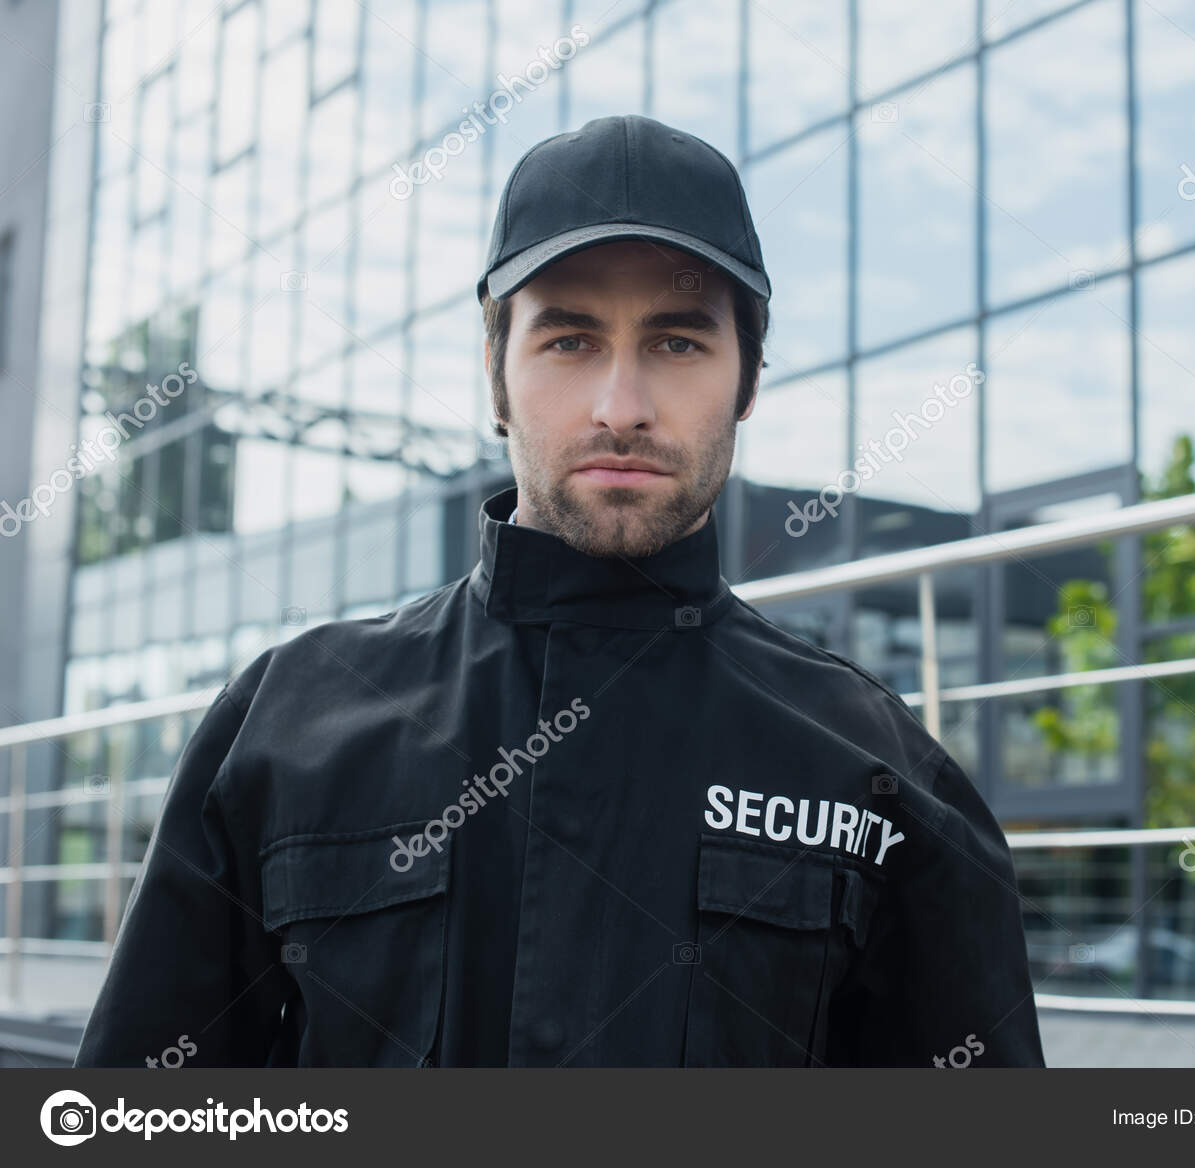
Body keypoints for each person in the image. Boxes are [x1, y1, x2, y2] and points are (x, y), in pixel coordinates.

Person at [74, 114, 1045, 1068]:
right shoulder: (288, 722)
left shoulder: (875, 768)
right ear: (496, 378)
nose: (620, 408)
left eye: (677, 343)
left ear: (747, 378)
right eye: (569, 340)